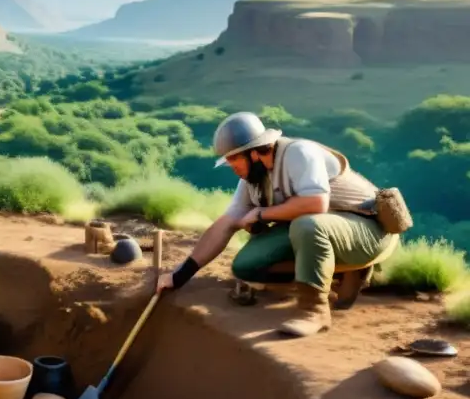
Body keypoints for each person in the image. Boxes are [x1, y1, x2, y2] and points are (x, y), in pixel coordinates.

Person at [156, 111, 397, 338]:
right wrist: (180, 275)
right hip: (327, 228)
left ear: (253, 152)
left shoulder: (299, 153)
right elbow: (226, 223)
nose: (231, 166)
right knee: (247, 266)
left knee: (307, 225)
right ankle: (339, 276)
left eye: (233, 159)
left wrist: (262, 214)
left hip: (369, 229)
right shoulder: (253, 178)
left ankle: (314, 310)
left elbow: (316, 204)